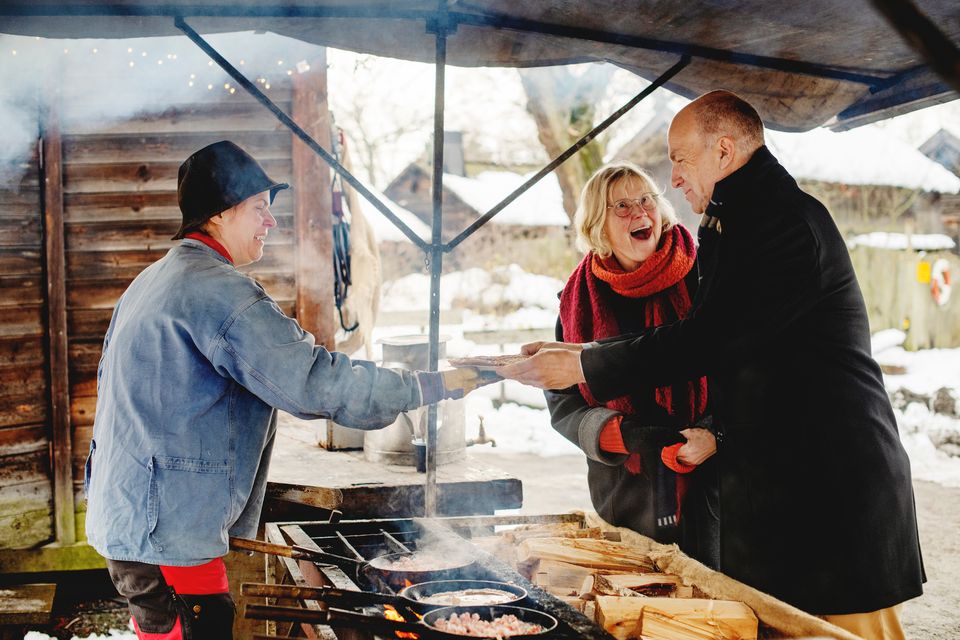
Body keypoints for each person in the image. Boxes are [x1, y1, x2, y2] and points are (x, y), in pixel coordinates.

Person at [500, 91, 924, 639]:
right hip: (780, 496)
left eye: (680, 158)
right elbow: (740, 360)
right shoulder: (738, 220)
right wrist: (578, 356)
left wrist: (586, 365)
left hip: (831, 495)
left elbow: (708, 341)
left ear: (723, 151)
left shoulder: (780, 225)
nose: (673, 178)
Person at [84, 140, 491, 640]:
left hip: (131, 519)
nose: (269, 223)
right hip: (166, 529)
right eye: (258, 208)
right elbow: (313, 381)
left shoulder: (154, 279)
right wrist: (431, 385)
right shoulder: (217, 290)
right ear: (219, 215)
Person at [547, 161, 719, 568]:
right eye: (621, 206)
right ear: (596, 225)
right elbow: (563, 401)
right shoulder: (576, 300)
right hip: (623, 484)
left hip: (709, 480)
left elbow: (741, 369)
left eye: (647, 200)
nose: (641, 213)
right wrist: (619, 434)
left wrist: (714, 434)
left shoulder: (705, 278)